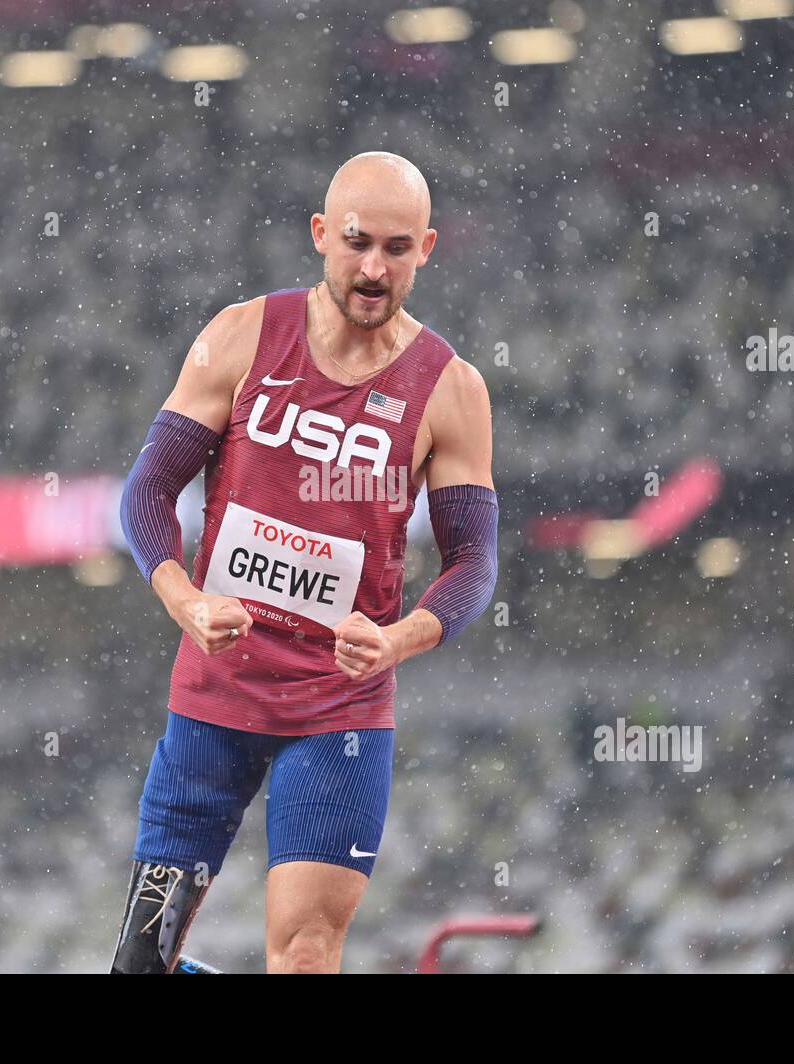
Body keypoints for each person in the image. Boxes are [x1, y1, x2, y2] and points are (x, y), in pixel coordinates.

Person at [111, 152, 498, 974]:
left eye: (397, 248)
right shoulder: (244, 335)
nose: (372, 267)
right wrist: (185, 601)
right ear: (321, 233)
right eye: (357, 241)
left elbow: (475, 562)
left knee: (306, 956)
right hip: (214, 699)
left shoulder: (449, 388)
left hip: (338, 715)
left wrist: (399, 640)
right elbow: (147, 493)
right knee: (143, 966)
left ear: (426, 248)